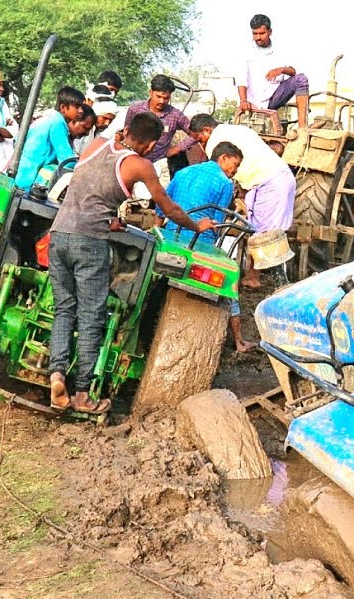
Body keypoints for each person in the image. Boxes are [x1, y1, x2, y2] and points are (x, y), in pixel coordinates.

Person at [46, 112, 216, 414]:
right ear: (151, 144)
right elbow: (168, 208)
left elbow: (87, 193)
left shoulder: (95, 145)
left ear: (127, 130)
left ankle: (57, 375)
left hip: (59, 234)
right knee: (91, 316)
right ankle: (83, 394)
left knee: (64, 309)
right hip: (90, 243)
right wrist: (196, 226)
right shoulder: (139, 164)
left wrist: (111, 220)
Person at [157, 142, 254, 352]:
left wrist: (157, 230)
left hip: (172, 235)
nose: (234, 170)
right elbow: (217, 222)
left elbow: (162, 202)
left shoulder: (183, 172)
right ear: (224, 158)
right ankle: (239, 341)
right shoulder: (224, 183)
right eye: (235, 164)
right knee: (231, 283)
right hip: (201, 240)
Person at [188, 114, 294, 288]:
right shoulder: (238, 129)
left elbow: (220, 176)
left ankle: (276, 283)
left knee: (265, 234)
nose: (201, 143)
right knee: (259, 230)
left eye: (199, 138)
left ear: (207, 130)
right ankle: (254, 275)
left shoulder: (216, 144)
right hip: (274, 178)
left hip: (269, 182)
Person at [239, 14, 310, 132]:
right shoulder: (246, 52)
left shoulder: (280, 50)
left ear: (270, 32)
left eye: (261, 33)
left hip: (275, 96)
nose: (258, 37)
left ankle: (303, 128)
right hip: (254, 102)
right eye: (254, 33)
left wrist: (282, 69)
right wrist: (243, 100)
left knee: (301, 79)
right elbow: (241, 78)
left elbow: (293, 71)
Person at [14, 86, 88, 192]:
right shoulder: (58, 123)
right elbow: (66, 160)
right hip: (29, 179)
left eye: (82, 107)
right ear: (63, 107)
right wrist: (84, 166)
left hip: (21, 173)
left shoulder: (48, 118)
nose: (81, 111)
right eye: (77, 107)